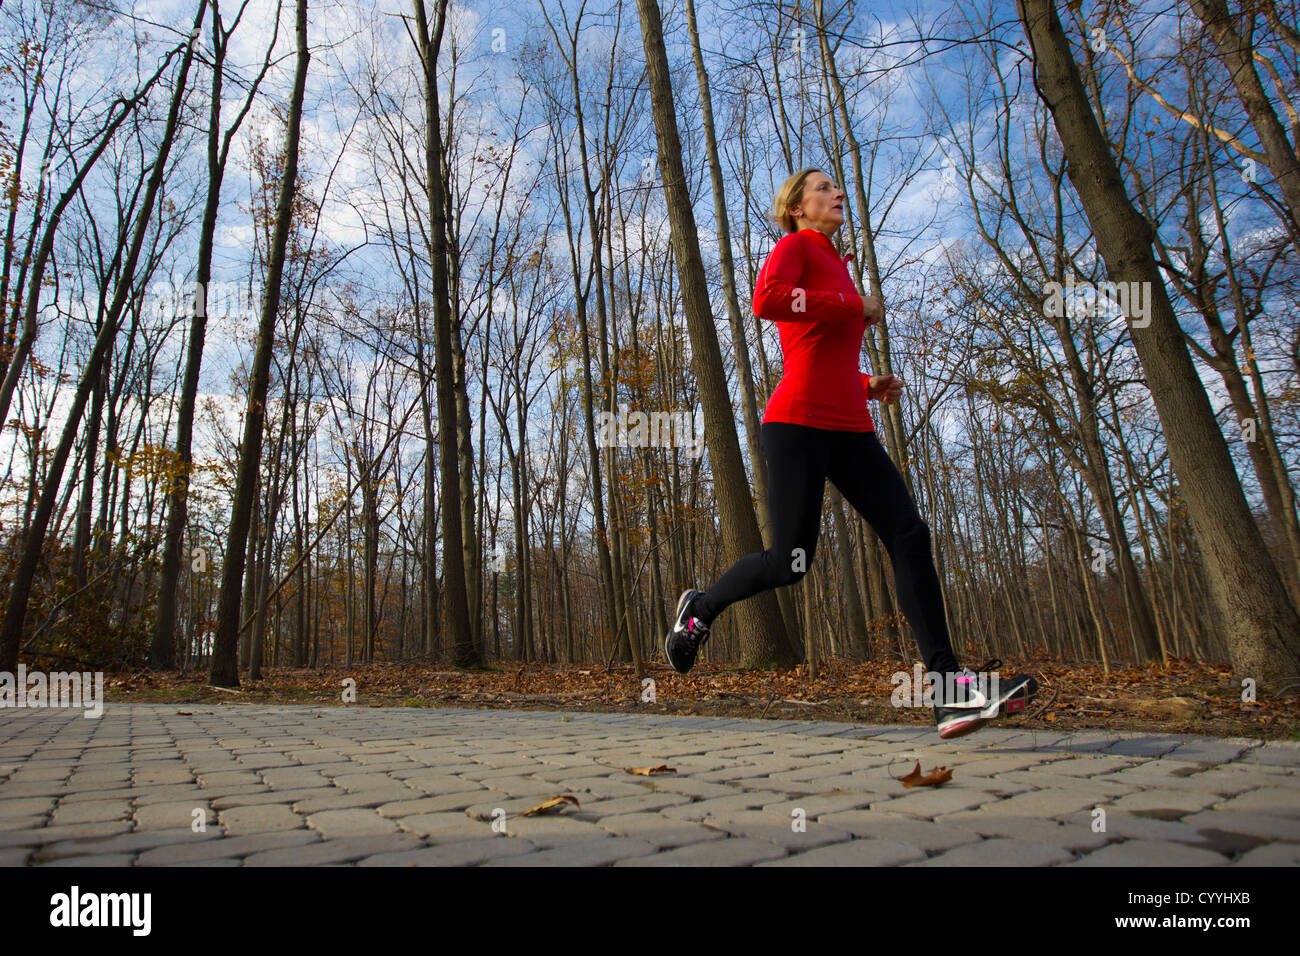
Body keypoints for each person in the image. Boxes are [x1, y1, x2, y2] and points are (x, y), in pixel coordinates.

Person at [663, 167, 1037, 739]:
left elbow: (820, 352)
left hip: (850, 423)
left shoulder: (838, 264)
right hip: (796, 423)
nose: (837, 194)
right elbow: (766, 301)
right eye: (823, 188)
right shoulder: (795, 247)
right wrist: (852, 304)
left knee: (909, 535)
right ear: (797, 207)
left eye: (838, 187)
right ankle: (702, 609)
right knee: (791, 561)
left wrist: (865, 384)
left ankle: (948, 690)